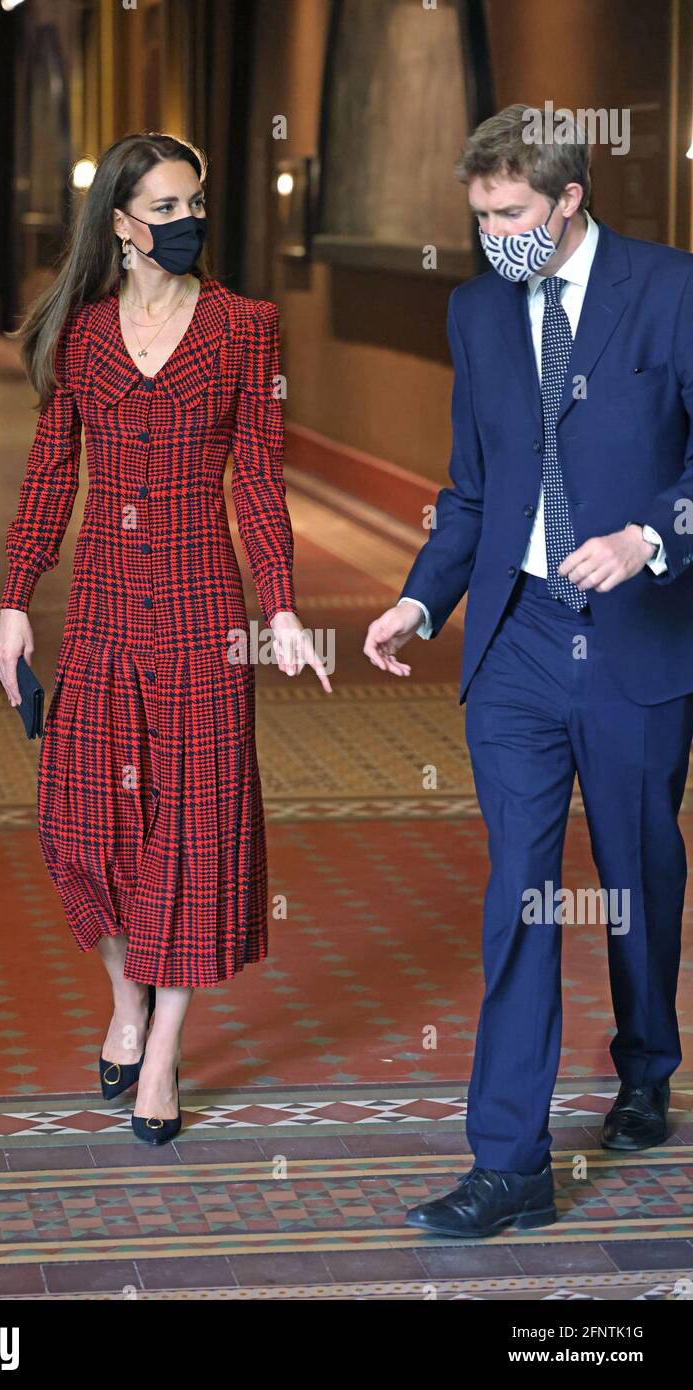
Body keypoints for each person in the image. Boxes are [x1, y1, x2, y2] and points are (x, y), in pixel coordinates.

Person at [364, 103, 693, 1237]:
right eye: (479, 216)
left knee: (639, 864)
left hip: (638, 631)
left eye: (510, 214)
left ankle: (647, 1060)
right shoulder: (476, 312)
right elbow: (473, 486)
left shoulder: (670, 290)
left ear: (567, 200)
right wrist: (419, 597)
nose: (493, 235)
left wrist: (653, 537)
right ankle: (511, 1162)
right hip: (516, 640)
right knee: (522, 891)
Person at [0, 132, 331, 1146]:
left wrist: (279, 609)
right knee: (81, 833)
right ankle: (126, 1001)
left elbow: (260, 485)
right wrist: (15, 602)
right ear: (123, 222)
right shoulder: (82, 335)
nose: (189, 223)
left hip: (201, 620)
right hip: (100, 611)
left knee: (189, 836)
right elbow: (50, 476)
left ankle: (166, 1049)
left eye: (197, 204)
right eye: (170, 207)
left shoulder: (243, 328)